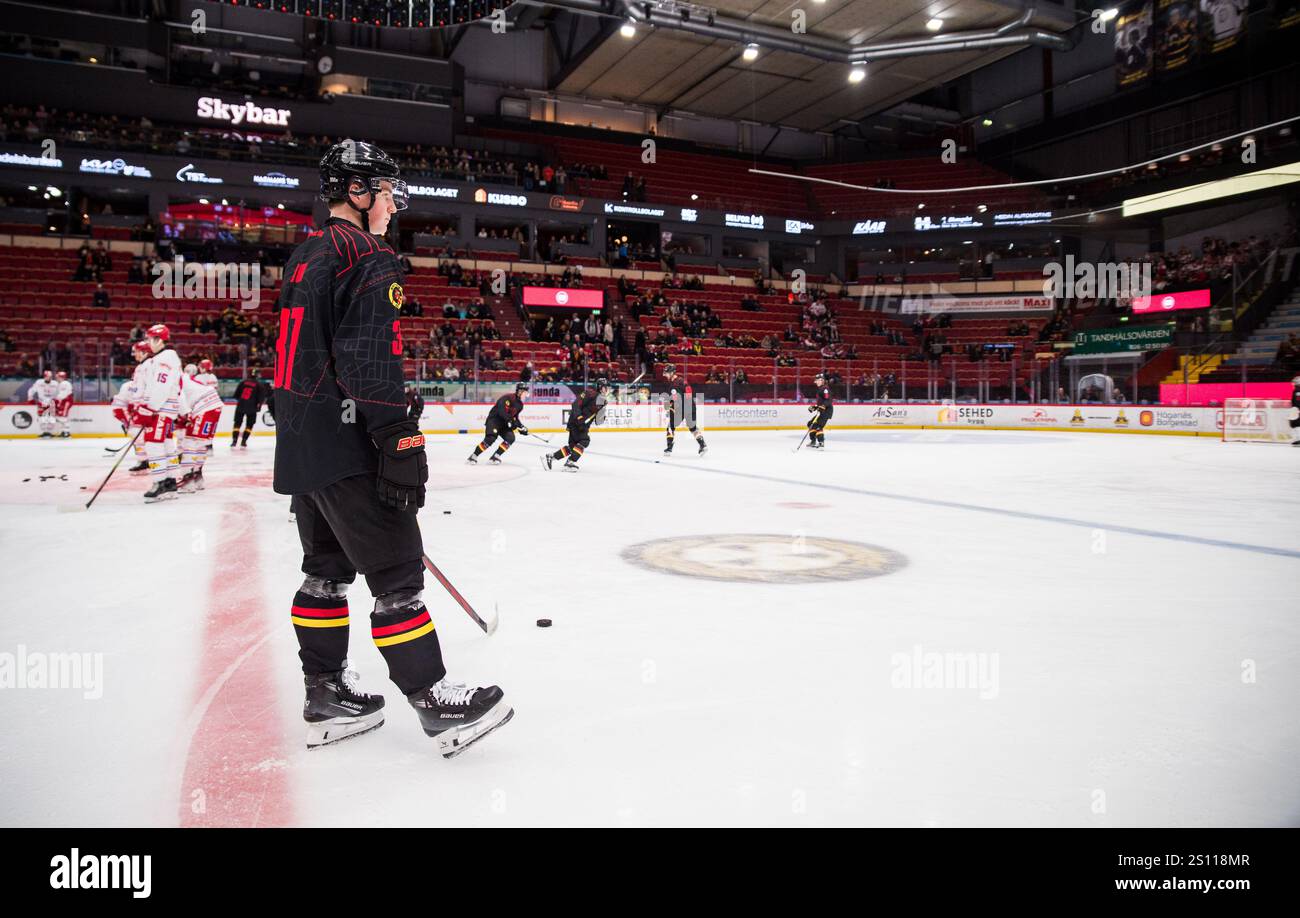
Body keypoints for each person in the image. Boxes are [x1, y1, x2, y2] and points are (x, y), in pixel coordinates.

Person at [272, 138, 511, 756]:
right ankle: (435, 700)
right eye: (384, 191)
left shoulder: (306, 255)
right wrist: (396, 436)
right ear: (357, 192)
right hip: (352, 441)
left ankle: (325, 691)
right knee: (397, 576)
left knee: (326, 573)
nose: (391, 205)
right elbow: (368, 358)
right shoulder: (368, 254)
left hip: (304, 441)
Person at [136, 324, 183, 501]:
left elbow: (160, 386)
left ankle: (160, 482)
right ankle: (170, 481)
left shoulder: (165, 358)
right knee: (167, 444)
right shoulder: (166, 358)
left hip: (161, 409)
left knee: (154, 444)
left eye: (150, 339)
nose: (148, 342)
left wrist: (149, 408)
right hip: (165, 409)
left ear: (159, 339)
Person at [542, 378, 607, 471]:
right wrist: (579, 418)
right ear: (600, 387)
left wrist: (602, 412)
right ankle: (569, 463)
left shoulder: (602, 400)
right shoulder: (590, 393)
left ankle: (550, 457)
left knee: (573, 447)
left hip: (582, 424)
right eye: (604, 387)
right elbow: (575, 404)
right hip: (576, 422)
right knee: (584, 440)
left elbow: (598, 421)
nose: (606, 389)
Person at [175, 365, 223, 492]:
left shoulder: (175, 379)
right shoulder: (185, 377)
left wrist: (185, 415)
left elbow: (180, 398)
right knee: (201, 444)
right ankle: (197, 477)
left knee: (190, 442)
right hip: (213, 405)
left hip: (203, 407)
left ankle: (188, 480)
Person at [467, 383, 529, 465]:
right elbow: (501, 411)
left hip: (504, 424)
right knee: (490, 439)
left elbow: (515, 417)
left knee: (510, 438)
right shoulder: (508, 398)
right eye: (525, 392)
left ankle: (495, 456)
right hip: (494, 421)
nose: (526, 395)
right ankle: (473, 456)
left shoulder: (520, 405)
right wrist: (510, 421)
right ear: (520, 391)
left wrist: (521, 427)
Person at [662, 385, 707, 457]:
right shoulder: (685, 384)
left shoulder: (674, 385)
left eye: (666, 373)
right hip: (692, 408)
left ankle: (669, 448)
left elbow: (676, 401)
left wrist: (670, 406)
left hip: (682, 409)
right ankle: (703, 445)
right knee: (693, 428)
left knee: (670, 427)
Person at [231, 372, 268, 448]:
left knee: (237, 424)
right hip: (252, 408)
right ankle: (244, 441)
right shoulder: (260, 385)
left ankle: (234, 441)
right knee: (249, 425)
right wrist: (258, 407)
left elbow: (236, 395)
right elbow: (261, 399)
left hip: (241, 405)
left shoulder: (243, 382)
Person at [806, 372, 833, 449]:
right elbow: (821, 403)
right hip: (822, 411)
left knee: (818, 426)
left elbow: (828, 400)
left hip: (826, 411)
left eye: (818, 380)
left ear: (822, 381)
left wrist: (823, 406)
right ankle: (813, 441)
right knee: (810, 424)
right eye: (816, 380)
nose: (816, 382)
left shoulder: (825, 389)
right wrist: (814, 407)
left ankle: (821, 442)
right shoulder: (820, 389)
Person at [29, 369, 57, 438]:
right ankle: (44, 432)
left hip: (51, 403)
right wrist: (30, 398)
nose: (48, 378)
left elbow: (58, 393)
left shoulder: (55, 383)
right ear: (44, 376)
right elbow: (31, 390)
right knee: (42, 418)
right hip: (41, 402)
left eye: (49, 376)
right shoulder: (39, 382)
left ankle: (49, 432)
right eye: (46, 376)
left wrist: (58, 400)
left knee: (51, 418)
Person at [53, 370, 74, 438]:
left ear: (61, 377)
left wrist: (56, 399)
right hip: (64, 401)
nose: (57, 378)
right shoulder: (62, 383)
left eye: (58, 377)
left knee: (63, 416)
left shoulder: (64, 383)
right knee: (62, 416)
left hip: (66, 401)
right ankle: (64, 431)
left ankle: (66, 432)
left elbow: (63, 394)